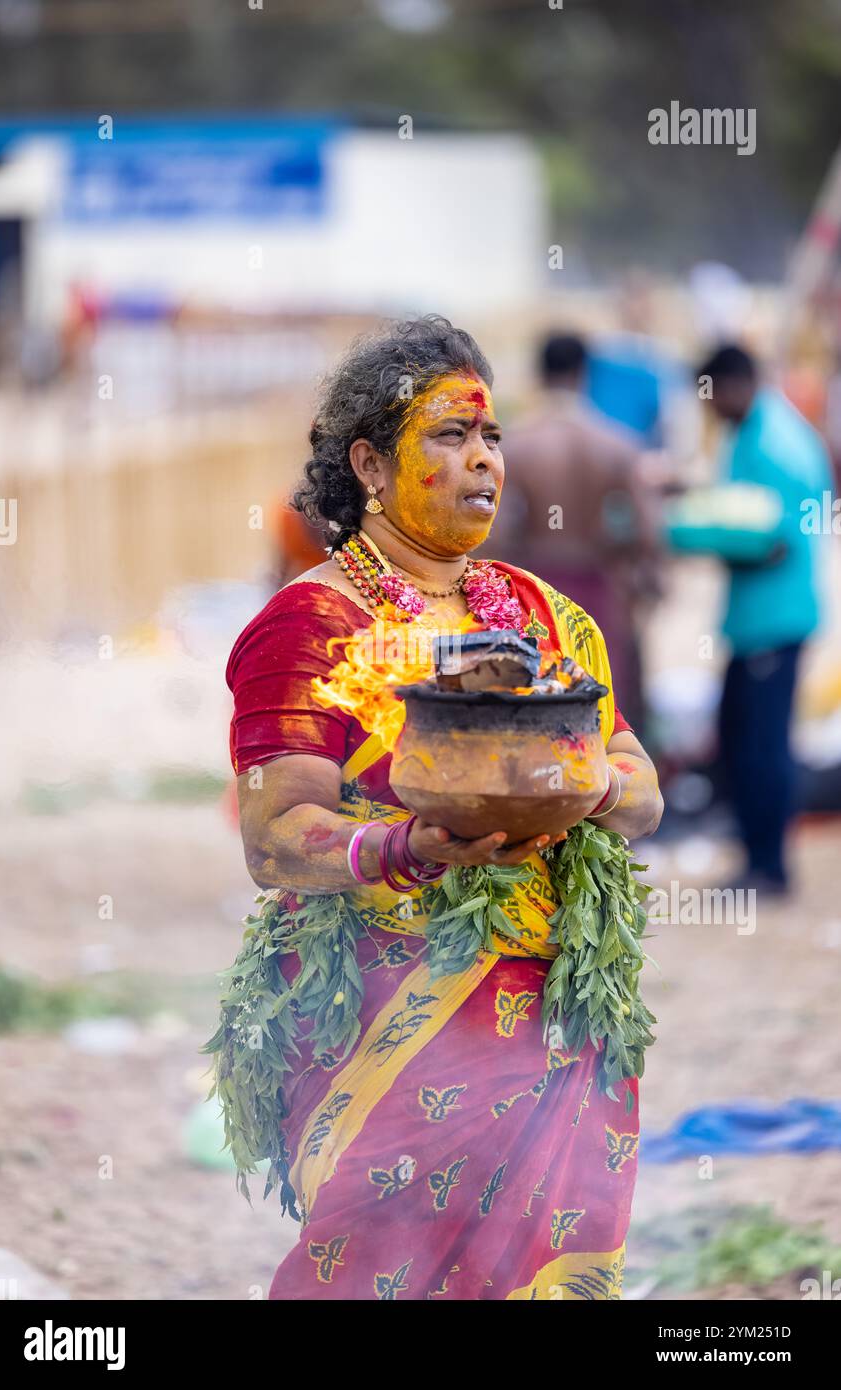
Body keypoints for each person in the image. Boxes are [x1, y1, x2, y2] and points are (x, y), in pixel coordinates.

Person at [215, 316, 662, 1301]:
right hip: (385, 1018)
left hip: (553, 1020)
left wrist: (587, 787)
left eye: (491, 436)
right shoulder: (311, 625)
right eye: (449, 437)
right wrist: (404, 845)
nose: (484, 461)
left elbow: (641, 787)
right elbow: (274, 834)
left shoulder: (542, 615)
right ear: (369, 465)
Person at [693, 344, 834, 893]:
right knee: (738, 735)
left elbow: (769, 540)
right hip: (757, 619)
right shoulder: (759, 429)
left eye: (712, 398)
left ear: (732, 386)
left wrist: (690, 527)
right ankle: (755, 853)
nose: (711, 411)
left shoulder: (775, 443)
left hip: (775, 620)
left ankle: (769, 867)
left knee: (764, 746)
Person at [491, 332, 662, 733]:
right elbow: (651, 530)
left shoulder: (515, 446)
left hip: (535, 590)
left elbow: (496, 534)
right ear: (584, 372)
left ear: (540, 374)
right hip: (598, 586)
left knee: (539, 709)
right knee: (600, 709)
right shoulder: (616, 443)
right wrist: (633, 569)